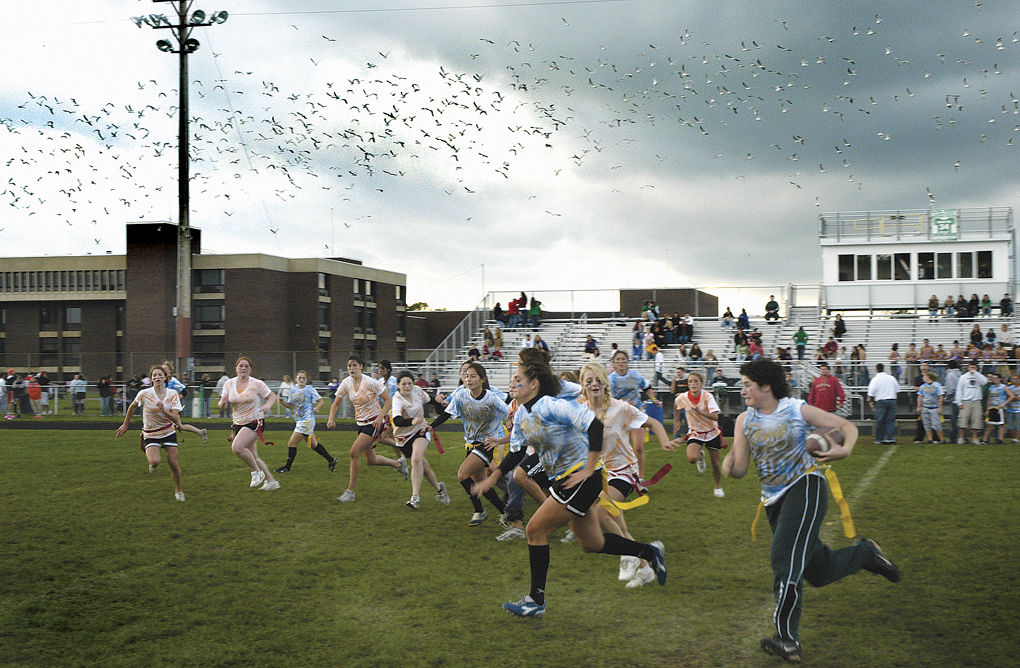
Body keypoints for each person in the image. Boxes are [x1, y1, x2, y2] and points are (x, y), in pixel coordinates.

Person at [721, 358, 901, 663]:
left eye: (748, 384)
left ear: (766, 386)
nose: (743, 389)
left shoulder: (795, 409)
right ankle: (865, 555)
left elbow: (845, 426)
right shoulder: (744, 421)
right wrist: (727, 465)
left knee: (783, 557)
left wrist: (845, 448)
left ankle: (787, 639)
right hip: (773, 501)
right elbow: (740, 469)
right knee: (815, 571)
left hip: (806, 487)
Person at [471, 360, 670, 618]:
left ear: (534, 384)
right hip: (565, 480)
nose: (513, 383)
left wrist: (588, 468)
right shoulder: (521, 414)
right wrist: (493, 477)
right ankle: (647, 551)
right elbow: (517, 451)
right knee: (592, 543)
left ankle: (536, 600)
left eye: (519, 379)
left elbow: (595, 426)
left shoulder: (554, 405)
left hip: (580, 479)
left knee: (534, 529)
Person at [578, 362, 680, 587]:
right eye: (589, 381)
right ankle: (645, 562)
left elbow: (652, 422)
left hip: (623, 471)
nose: (594, 384)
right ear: (582, 386)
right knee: (620, 527)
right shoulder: (579, 410)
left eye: (598, 380)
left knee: (601, 512)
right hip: (599, 474)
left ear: (606, 383)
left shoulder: (620, 408)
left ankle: (628, 555)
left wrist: (664, 441)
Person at [430, 361, 508, 525]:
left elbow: (509, 411)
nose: (468, 379)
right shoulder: (461, 395)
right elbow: (446, 413)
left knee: (462, 475)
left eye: (473, 376)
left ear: (482, 379)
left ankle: (480, 511)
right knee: (480, 483)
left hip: (486, 444)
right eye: (466, 376)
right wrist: (430, 426)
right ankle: (504, 511)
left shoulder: (491, 397)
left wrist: (512, 420)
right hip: (471, 445)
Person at [326, 355, 407, 503]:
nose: (351, 368)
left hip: (374, 423)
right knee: (371, 460)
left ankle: (350, 492)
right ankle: (398, 464)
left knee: (354, 453)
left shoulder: (370, 382)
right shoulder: (346, 382)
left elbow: (388, 400)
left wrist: (380, 417)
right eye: (349, 365)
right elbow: (336, 403)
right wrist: (331, 418)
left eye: (355, 365)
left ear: (361, 366)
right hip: (361, 424)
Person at [115, 364, 187, 501]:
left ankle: (179, 491)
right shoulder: (144, 394)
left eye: (160, 375)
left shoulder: (172, 394)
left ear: (165, 377)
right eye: (155, 375)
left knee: (173, 463)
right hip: (150, 433)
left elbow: (176, 418)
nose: (157, 377)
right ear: (151, 379)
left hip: (168, 431)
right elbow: (132, 407)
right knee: (155, 461)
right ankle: (153, 465)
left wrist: (164, 410)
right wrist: (125, 424)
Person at [218, 357, 280, 491]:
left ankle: (256, 472)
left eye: (246, 366)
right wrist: (222, 403)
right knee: (253, 456)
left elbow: (272, 396)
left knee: (237, 447)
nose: (243, 368)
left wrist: (268, 405)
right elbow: (222, 404)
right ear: (236, 368)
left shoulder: (257, 384)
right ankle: (271, 481)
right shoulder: (229, 383)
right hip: (238, 423)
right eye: (241, 366)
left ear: (250, 369)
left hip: (255, 421)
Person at [391, 370, 450, 509]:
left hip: (421, 430)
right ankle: (440, 490)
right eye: (403, 384)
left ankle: (415, 498)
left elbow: (431, 399)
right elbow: (397, 420)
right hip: (403, 438)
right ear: (398, 385)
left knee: (416, 459)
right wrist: (411, 421)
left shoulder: (417, 391)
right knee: (423, 466)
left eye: (409, 383)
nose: (407, 386)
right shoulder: (397, 399)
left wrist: (439, 400)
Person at [273, 370, 337, 474]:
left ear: (307, 380)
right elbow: (290, 405)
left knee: (292, 443)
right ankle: (331, 460)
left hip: (307, 420)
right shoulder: (293, 389)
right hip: (299, 420)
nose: (302, 380)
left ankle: (287, 468)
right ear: (296, 379)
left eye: (304, 378)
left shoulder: (309, 389)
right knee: (313, 444)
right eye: (300, 378)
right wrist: (282, 402)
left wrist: (317, 407)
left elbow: (321, 401)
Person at [675, 371, 726, 497]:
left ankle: (718, 487)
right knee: (692, 458)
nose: (693, 384)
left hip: (711, 432)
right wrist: (677, 421)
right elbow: (676, 405)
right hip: (695, 432)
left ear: (701, 384)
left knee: (716, 464)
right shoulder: (683, 397)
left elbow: (715, 417)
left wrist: (700, 412)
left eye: (696, 381)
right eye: (690, 381)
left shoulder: (708, 397)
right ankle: (700, 456)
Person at [954, 362, 987, 445]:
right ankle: (961, 438)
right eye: (971, 367)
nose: (972, 369)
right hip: (966, 401)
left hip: (976, 401)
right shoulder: (963, 377)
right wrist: (959, 402)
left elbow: (984, 382)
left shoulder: (979, 376)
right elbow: (959, 389)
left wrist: (975, 373)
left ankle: (975, 439)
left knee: (976, 421)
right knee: (963, 421)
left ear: (977, 368)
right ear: (968, 368)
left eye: (974, 367)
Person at [867, 363, 900, 444]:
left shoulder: (875, 379)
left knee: (880, 420)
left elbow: (871, 393)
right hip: (891, 400)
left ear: (876, 369)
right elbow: (897, 390)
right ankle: (890, 438)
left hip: (881, 401)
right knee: (890, 420)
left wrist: (870, 400)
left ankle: (879, 439)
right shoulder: (891, 378)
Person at [981, 372, 1014, 444]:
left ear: (1000, 379)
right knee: (989, 424)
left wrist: (1004, 404)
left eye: (996, 378)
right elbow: (989, 398)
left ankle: (1000, 440)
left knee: (1000, 424)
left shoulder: (1003, 387)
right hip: (992, 408)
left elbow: (1012, 396)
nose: (994, 380)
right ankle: (985, 440)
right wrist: (987, 409)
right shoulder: (991, 387)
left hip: (999, 408)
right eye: (993, 378)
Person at [916, 371, 945, 444]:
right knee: (926, 424)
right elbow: (920, 396)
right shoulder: (923, 386)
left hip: (934, 408)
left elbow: (940, 396)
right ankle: (930, 439)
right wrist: (919, 407)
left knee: (936, 425)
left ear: (928, 377)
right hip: (925, 407)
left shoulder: (937, 385)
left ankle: (941, 439)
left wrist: (939, 407)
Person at [943, 360, 962, 443]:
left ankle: (953, 437)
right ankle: (960, 436)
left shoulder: (950, 375)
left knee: (954, 420)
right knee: (960, 419)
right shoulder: (960, 374)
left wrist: (946, 398)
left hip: (954, 399)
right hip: (962, 399)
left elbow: (951, 389)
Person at [1006, 373, 1020, 443]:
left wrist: (1013, 398)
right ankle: (1014, 438)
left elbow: (1014, 398)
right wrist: (1013, 398)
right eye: (1012, 379)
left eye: (1015, 379)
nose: (1014, 380)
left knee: (1018, 425)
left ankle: (1017, 439)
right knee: (1009, 425)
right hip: (1010, 409)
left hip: (1018, 409)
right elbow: (1008, 397)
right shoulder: (1009, 388)